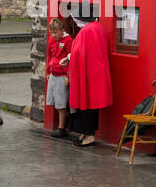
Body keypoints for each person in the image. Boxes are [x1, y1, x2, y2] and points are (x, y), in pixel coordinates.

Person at [67, 19, 112, 147]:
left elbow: (78, 51)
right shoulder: (96, 27)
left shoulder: (87, 30)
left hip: (88, 73)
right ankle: (85, 133)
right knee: (90, 106)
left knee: (87, 106)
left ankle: (89, 136)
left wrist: (68, 57)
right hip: (94, 72)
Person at [45, 16, 73, 139]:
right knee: (54, 100)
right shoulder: (51, 40)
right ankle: (64, 123)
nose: (54, 35)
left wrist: (68, 75)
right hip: (53, 74)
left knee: (61, 102)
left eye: (56, 32)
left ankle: (62, 127)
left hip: (62, 75)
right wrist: (48, 70)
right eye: (52, 32)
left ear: (62, 30)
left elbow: (71, 59)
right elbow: (49, 56)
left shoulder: (68, 40)